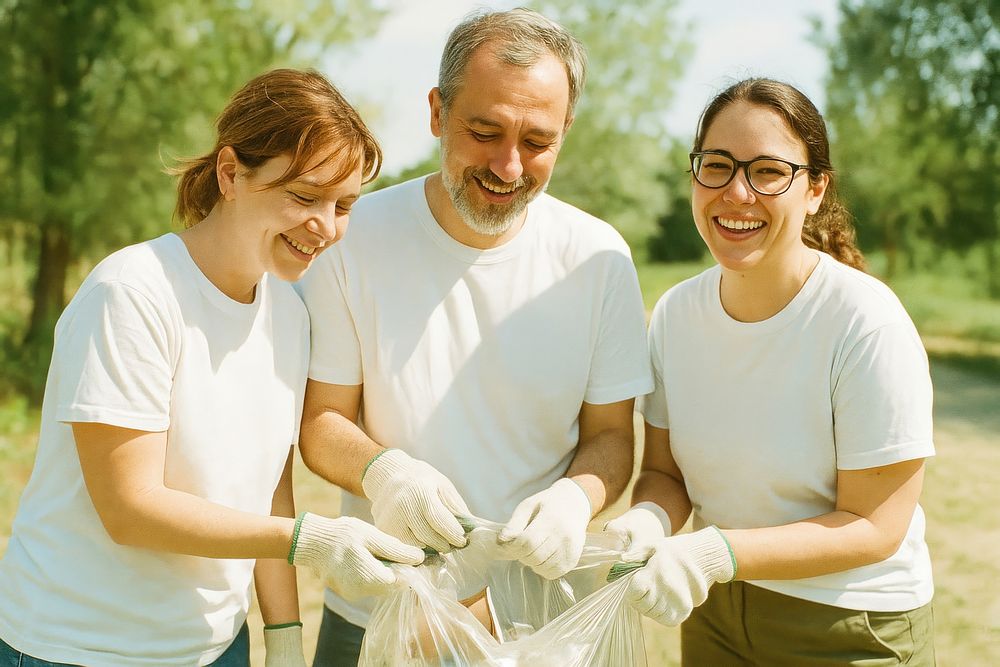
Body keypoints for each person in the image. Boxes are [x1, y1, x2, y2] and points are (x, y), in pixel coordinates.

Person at [0, 68, 426, 667]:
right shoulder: (133, 294)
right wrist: (311, 540)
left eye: (343, 205)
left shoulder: (288, 311)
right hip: (81, 646)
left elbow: (268, 487)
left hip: (214, 647)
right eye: (304, 196)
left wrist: (281, 636)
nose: (326, 227)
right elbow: (129, 507)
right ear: (230, 173)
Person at [296, 8, 653, 664]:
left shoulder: (597, 258)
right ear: (436, 112)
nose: (509, 166)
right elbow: (321, 420)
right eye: (484, 132)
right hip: (379, 606)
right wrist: (384, 472)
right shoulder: (354, 239)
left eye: (538, 141)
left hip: (539, 619)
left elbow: (610, 435)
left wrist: (578, 498)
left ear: (566, 131)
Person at [604, 78, 936, 665]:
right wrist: (649, 520)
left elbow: (875, 524)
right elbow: (664, 473)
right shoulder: (676, 314)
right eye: (718, 165)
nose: (736, 192)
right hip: (715, 615)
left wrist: (715, 553)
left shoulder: (865, 322)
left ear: (814, 190)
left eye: (767, 171)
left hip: (850, 625)